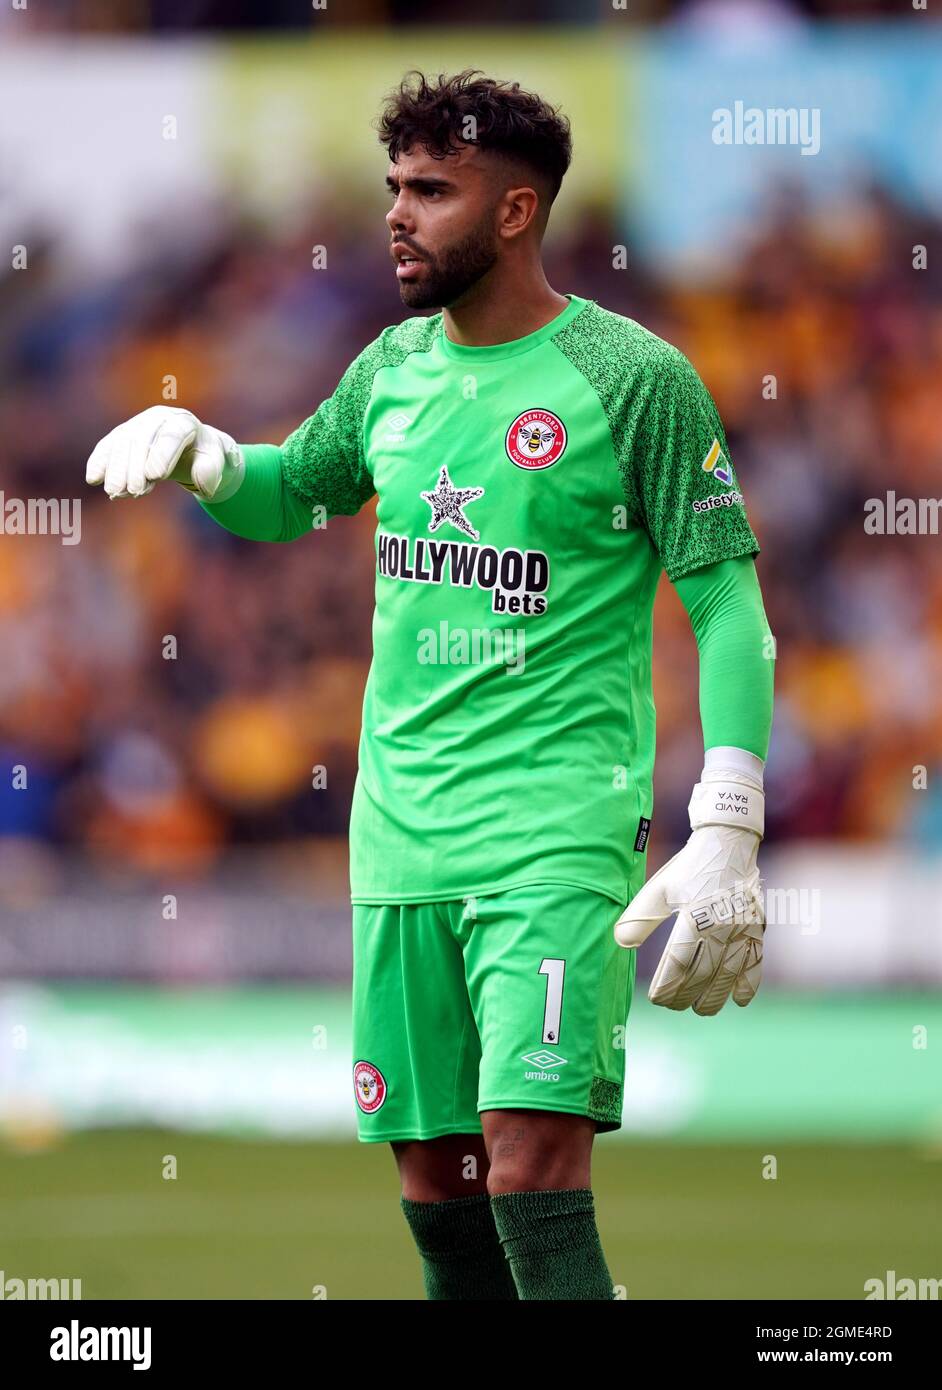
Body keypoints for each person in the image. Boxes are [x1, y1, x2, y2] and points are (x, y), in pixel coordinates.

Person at [86, 69, 774, 1301]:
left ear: (515, 211)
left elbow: (727, 604)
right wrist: (210, 457)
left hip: (556, 831)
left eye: (431, 191)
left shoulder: (634, 377)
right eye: (394, 186)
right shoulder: (391, 367)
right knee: (441, 1187)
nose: (397, 215)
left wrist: (729, 816)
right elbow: (294, 491)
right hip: (400, 834)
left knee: (529, 1161)